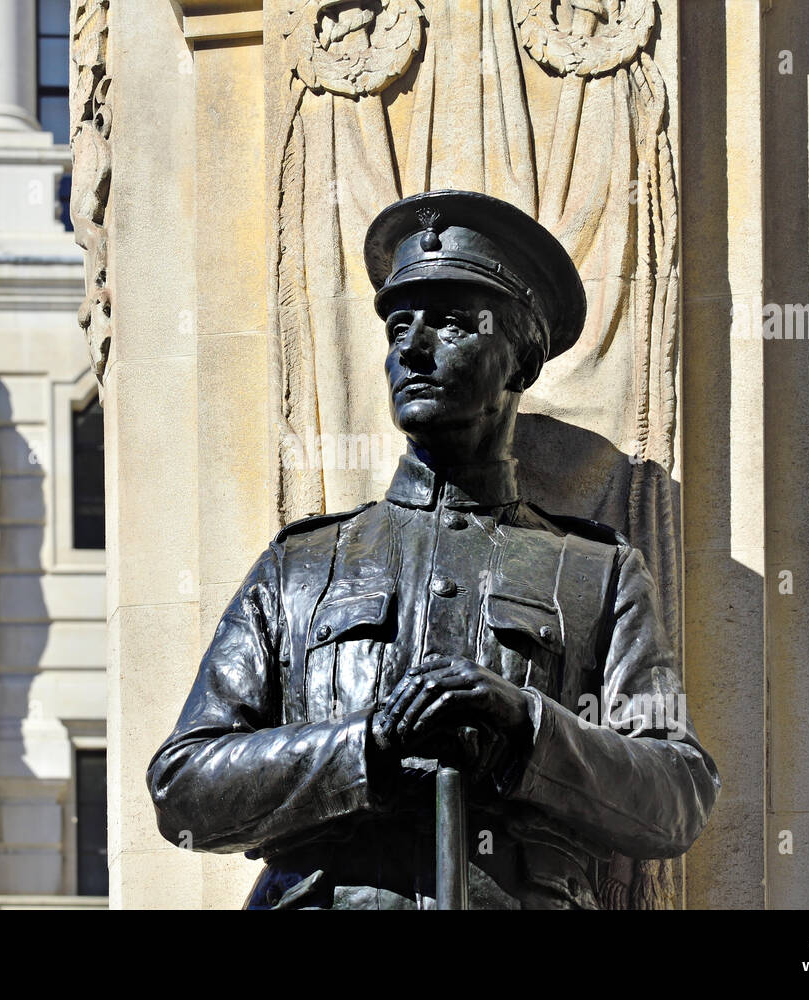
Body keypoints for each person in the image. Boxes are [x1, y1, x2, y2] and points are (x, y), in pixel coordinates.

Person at [147, 189, 719, 909]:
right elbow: (185, 787)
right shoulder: (301, 566)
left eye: (451, 324)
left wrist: (526, 726)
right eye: (398, 328)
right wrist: (366, 746)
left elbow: (677, 795)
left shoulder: (594, 572)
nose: (412, 349)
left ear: (519, 362)